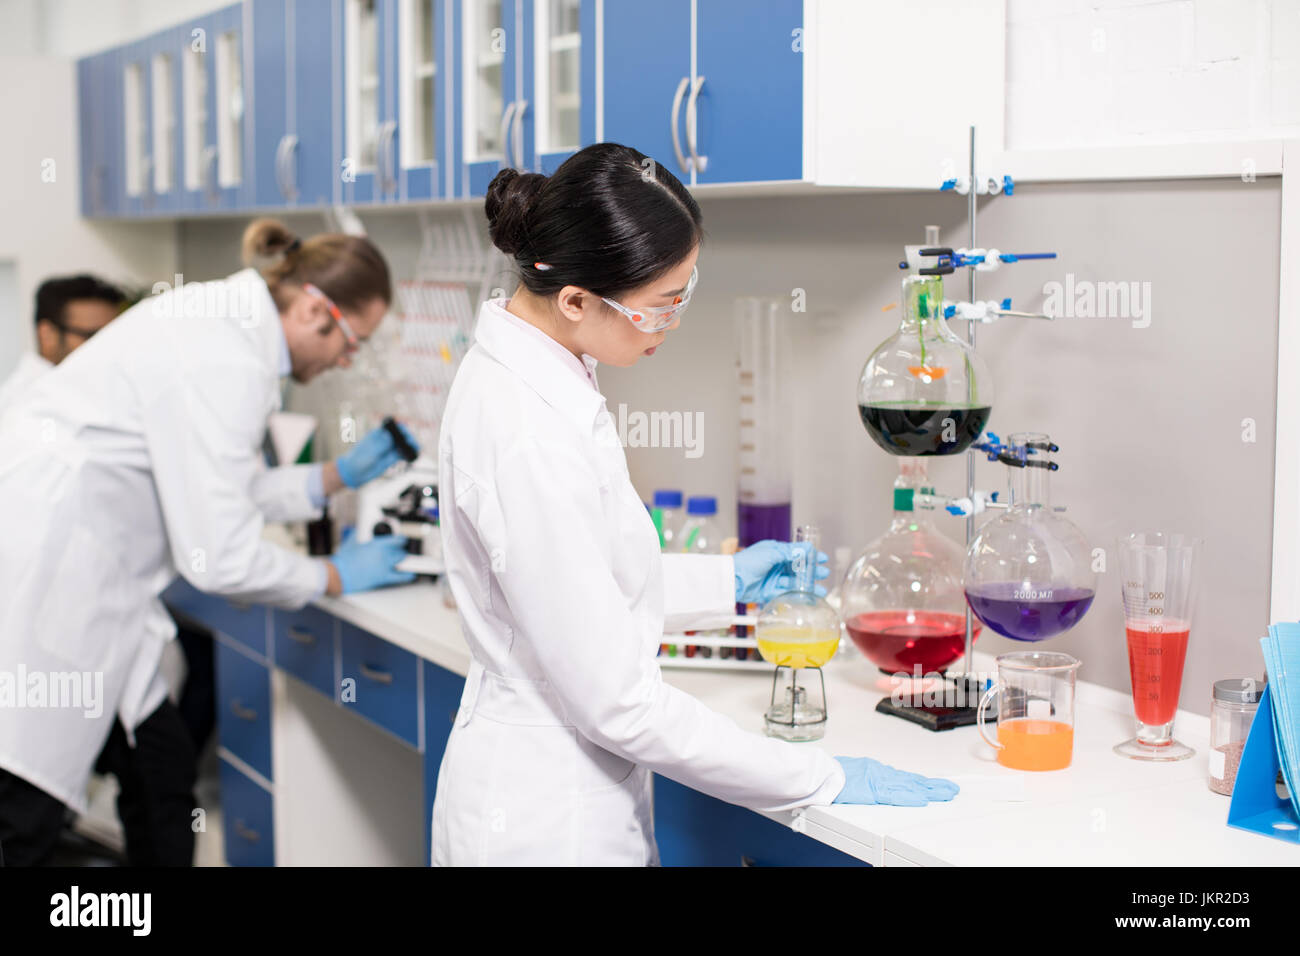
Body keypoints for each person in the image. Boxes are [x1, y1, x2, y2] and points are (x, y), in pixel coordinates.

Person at [431, 143, 958, 866]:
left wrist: (728, 582)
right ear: (578, 300)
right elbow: (616, 701)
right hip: (543, 819)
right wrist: (814, 777)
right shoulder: (527, 435)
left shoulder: (545, 371)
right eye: (661, 307)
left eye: (686, 293)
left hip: (566, 786)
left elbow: (589, 587)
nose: (672, 325)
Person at [0, 219, 419, 867]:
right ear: (315, 310)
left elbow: (223, 483)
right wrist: (331, 577)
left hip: (95, 579)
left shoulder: (227, 328)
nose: (346, 361)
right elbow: (218, 557)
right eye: (352, 343)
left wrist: (329, 479)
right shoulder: (225, 354)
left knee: (163, 774)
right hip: (51, 586)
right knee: (23, 814)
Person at [0, 274, 125, 413]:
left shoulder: (91, 386)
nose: (108, 346)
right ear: (47, 335)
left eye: (113, 335)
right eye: (92, 335)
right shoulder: (25, 403)